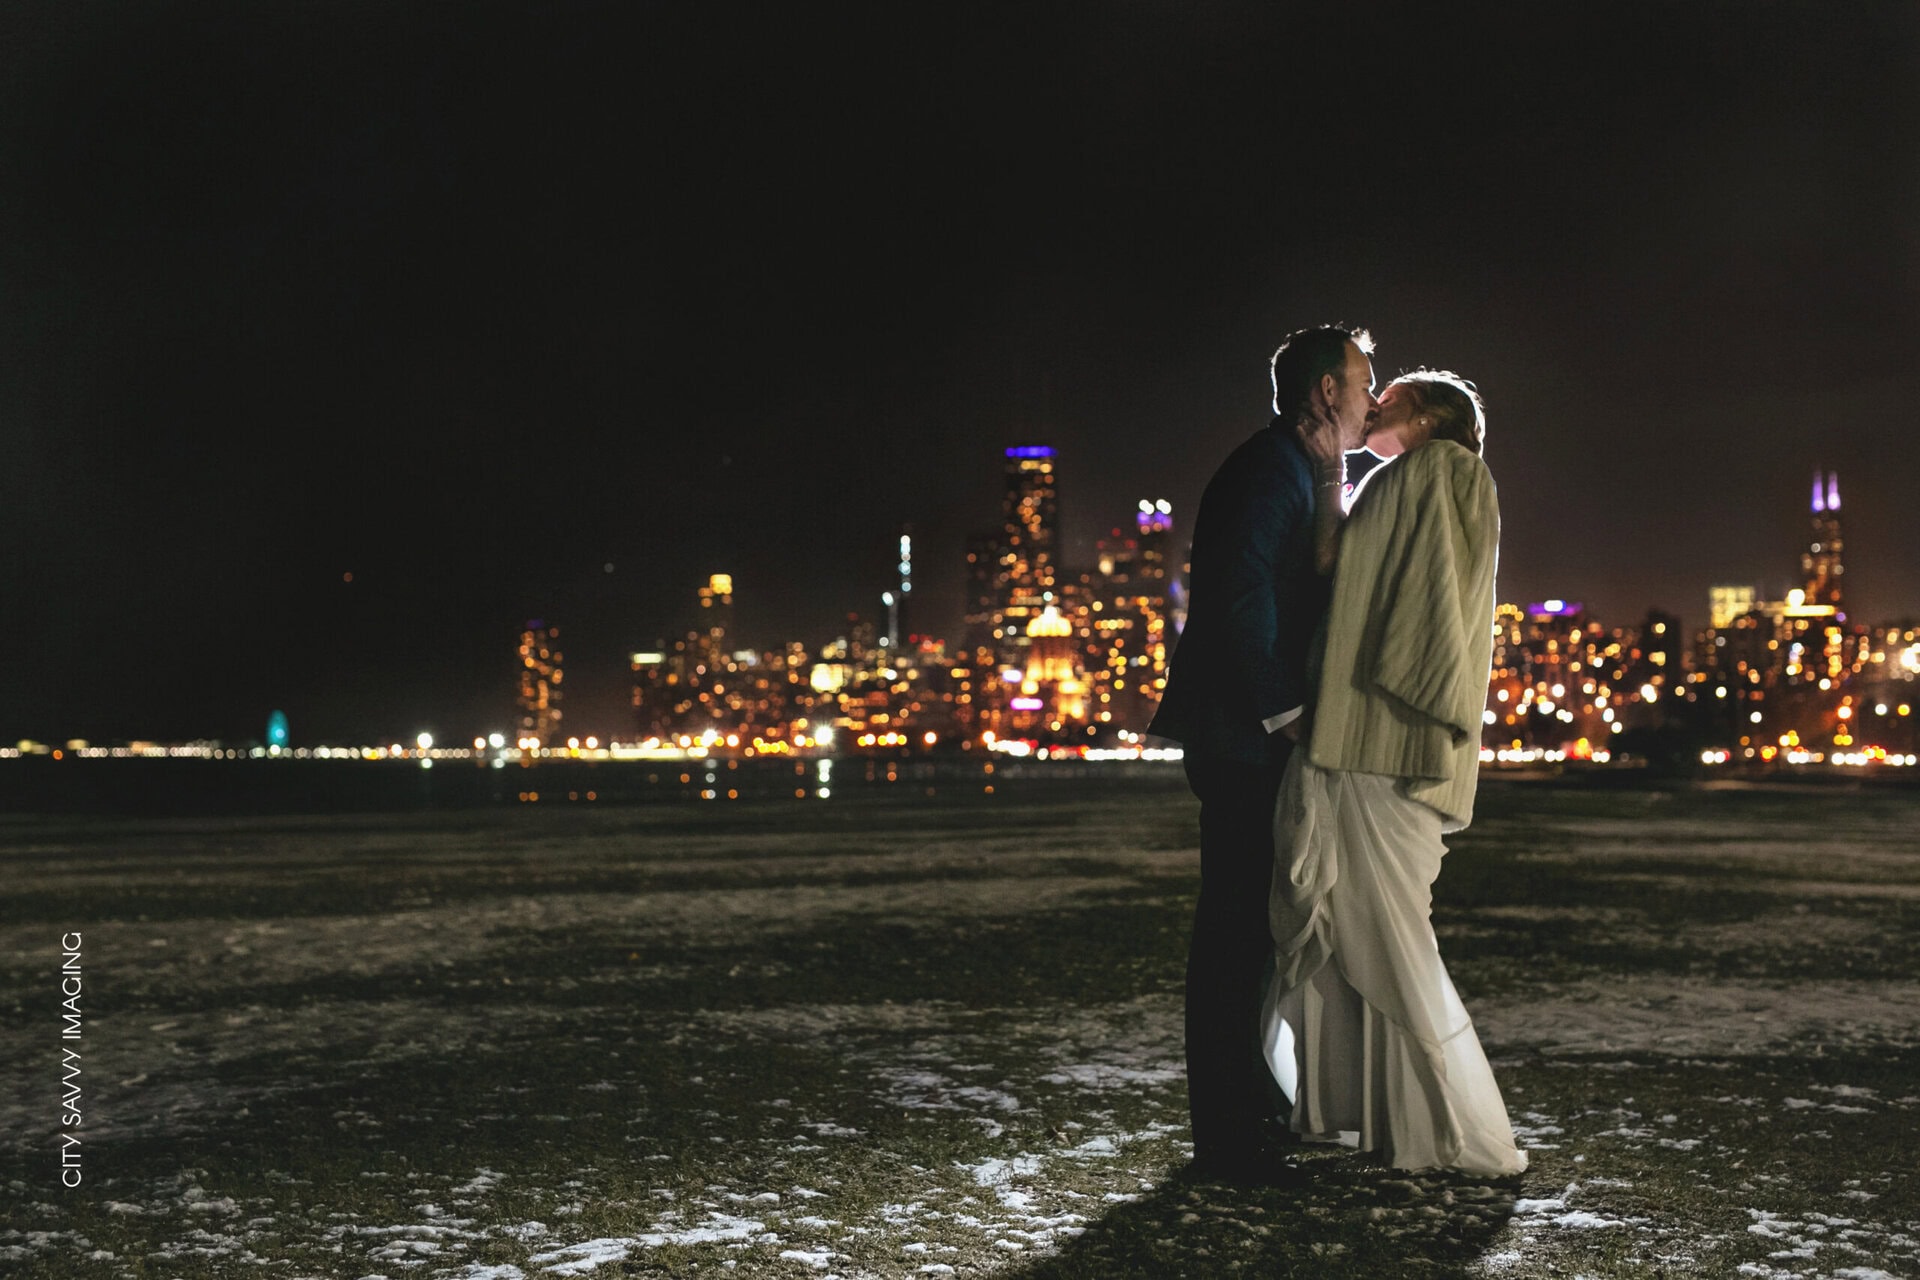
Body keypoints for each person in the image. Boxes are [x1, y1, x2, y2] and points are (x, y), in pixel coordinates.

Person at [1261, 369, 1527, 1177]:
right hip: (1373, 734)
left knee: (1386, 935)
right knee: (1355, 932)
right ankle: (1373, 1119)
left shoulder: (1440, 470)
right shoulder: (1422, 477)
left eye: (1389, 398)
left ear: (1428, 413)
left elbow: (1402, 595)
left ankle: (1439, 1127)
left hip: (1386, 740)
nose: (1372, 407)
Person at [1147, 324, 1376, 1180]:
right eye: (1363, 380)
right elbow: (1240, 600)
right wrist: (1287, 717)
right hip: (1245, 739)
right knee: (1235, 938)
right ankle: (1228, 1136)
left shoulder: (1297, 468)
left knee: (1260, 935)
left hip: (1253, 737)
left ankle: (1252, 1115)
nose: (1370, 397)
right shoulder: (1264, 469)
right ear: (1326, 391)